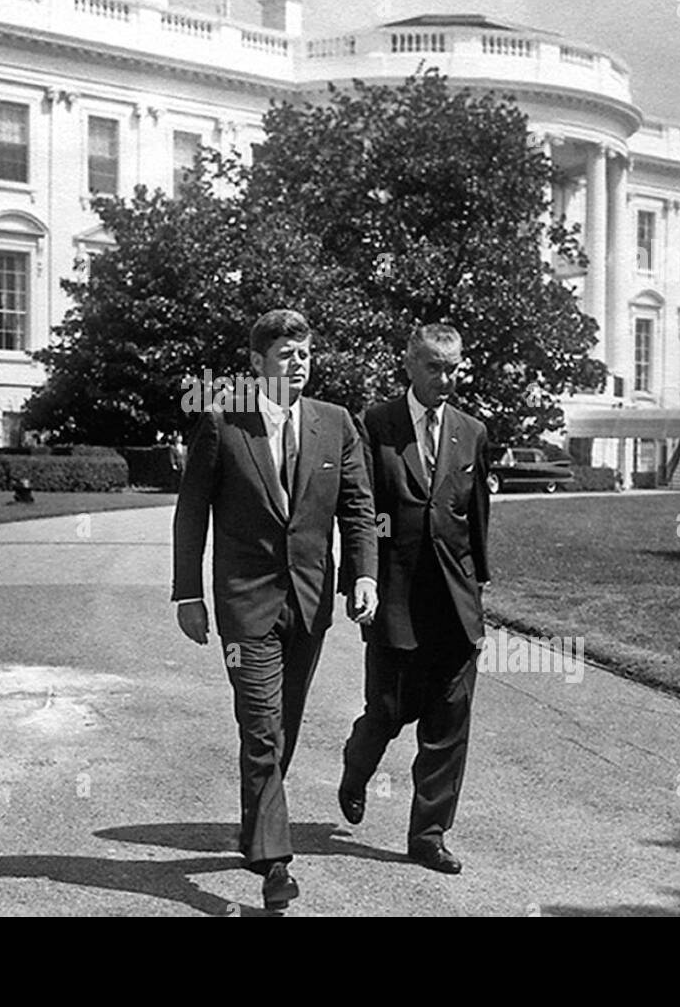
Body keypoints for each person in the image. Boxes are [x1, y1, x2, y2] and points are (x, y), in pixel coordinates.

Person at [172, 309, 379, 910]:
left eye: (306, 353)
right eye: (286, 354)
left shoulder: (335, 424)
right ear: (257, 364)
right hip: (246, 604)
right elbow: (192, 515)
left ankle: (253, 829)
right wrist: (188, 593)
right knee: (261, 726)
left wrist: (363, 574)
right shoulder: (221, 424)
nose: (299, 363)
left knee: (281, 726)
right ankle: (275, 866)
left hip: (310, 603)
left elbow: (358, 510)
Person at [338, 324, 490, 875]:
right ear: (409, 364)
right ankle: (356, 768)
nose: (445, 379)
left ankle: (428, 835)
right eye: (434, 368)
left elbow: (474, 518)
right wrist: (362, 579)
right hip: (393, 599)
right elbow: (359, 510)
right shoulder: (375, 425)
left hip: (454, 603)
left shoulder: (472, 431)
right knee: (386, 711)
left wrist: (479, 590)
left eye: (453, 369)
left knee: (449, 723)